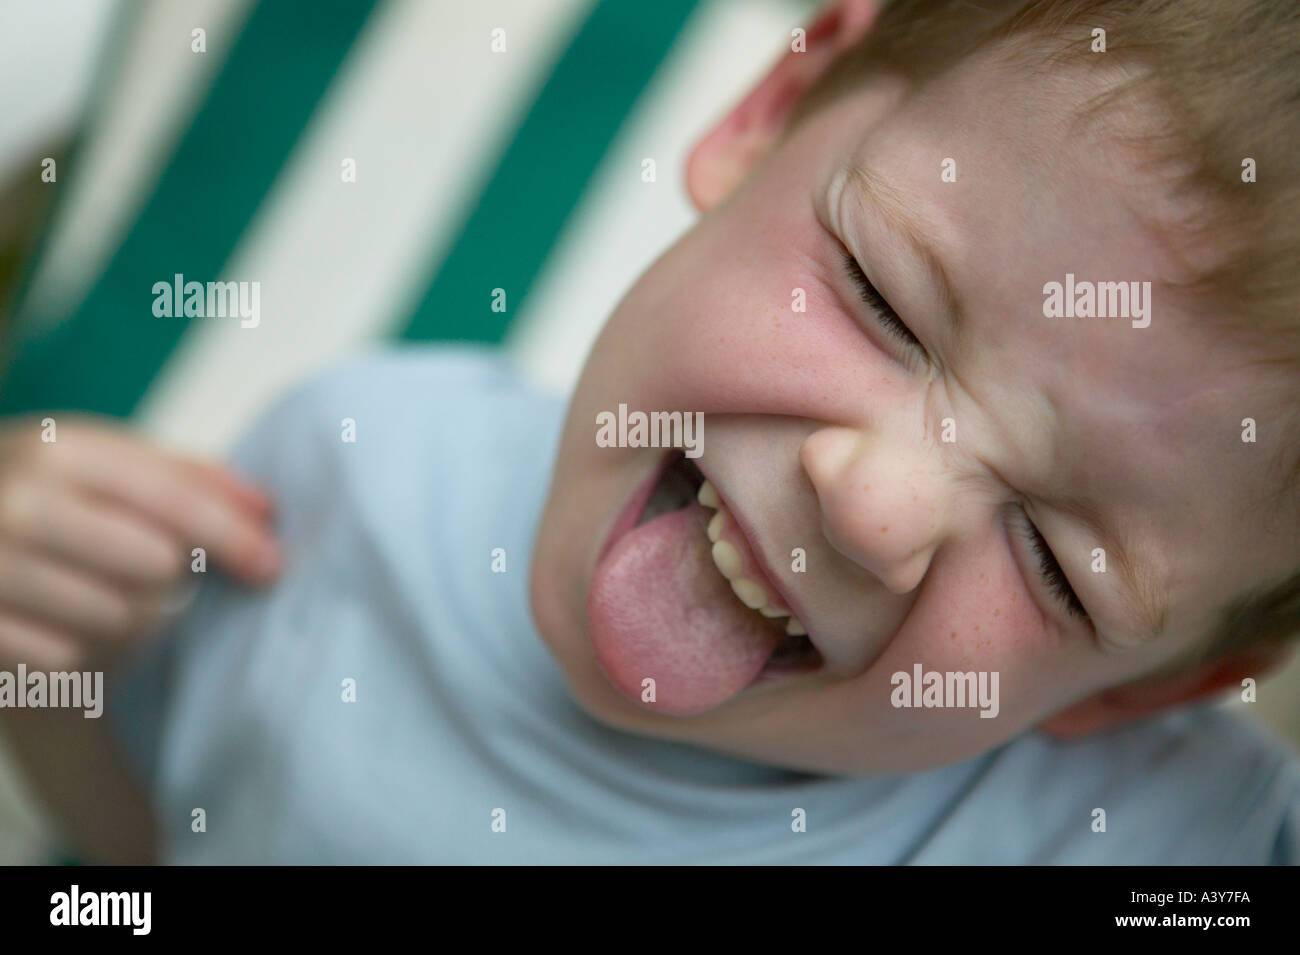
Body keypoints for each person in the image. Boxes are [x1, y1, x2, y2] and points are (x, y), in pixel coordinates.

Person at [1, 0, 1298, 863]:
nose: (875, 506)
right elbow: (168, 842)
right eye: (882, 297)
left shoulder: (1160, 836)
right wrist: (49, 667)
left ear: (1148, 688)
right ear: (769, 112)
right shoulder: (346, 480)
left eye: (1059, 566)